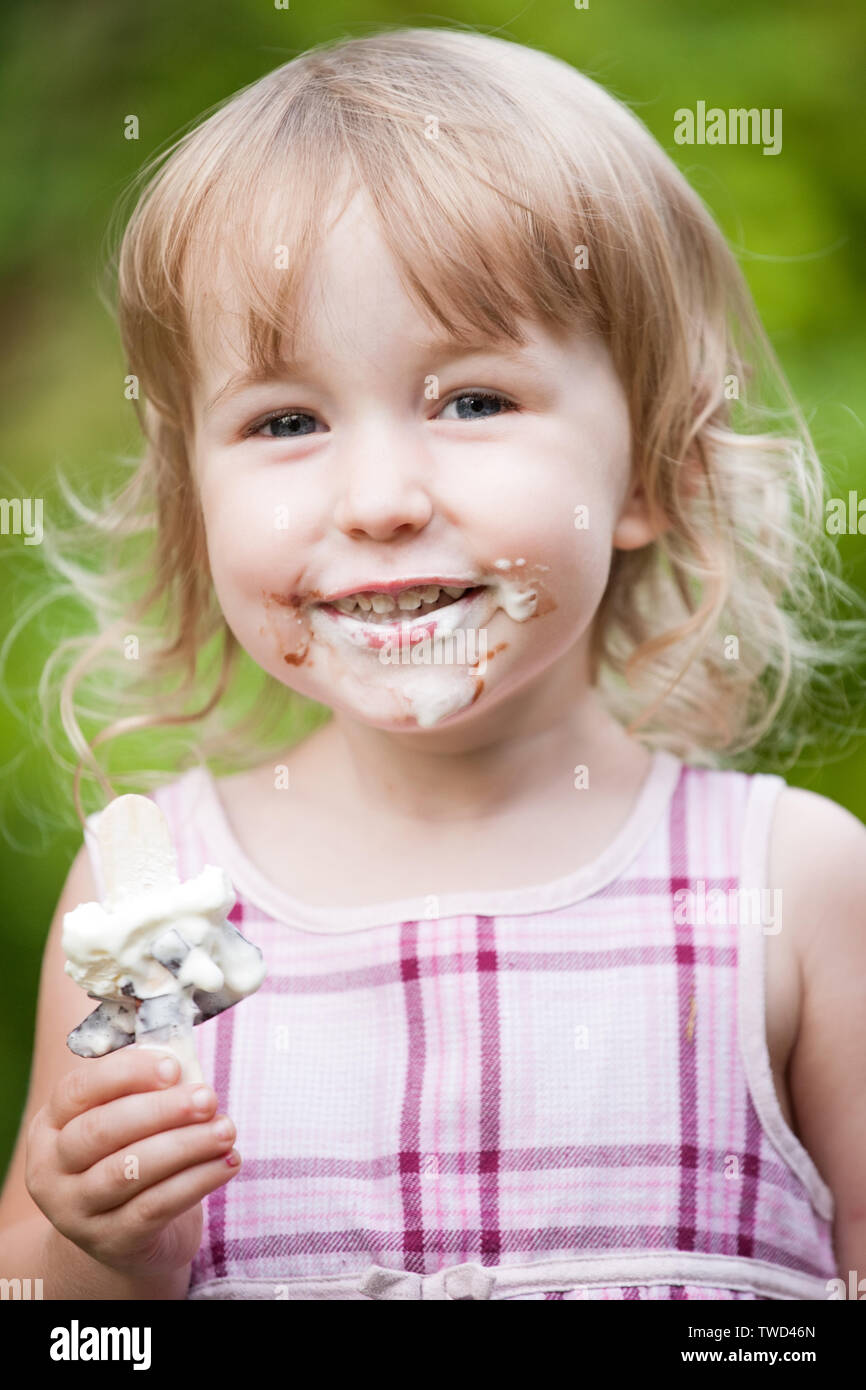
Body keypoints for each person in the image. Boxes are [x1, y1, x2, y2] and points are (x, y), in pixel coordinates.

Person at [2, 26, 865, 1301]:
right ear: (195, 507)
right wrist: (104, 1251)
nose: (381, 498)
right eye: (285, 420)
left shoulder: (792, 883)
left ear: (651, 474)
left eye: (471, 400)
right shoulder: (150, 896)